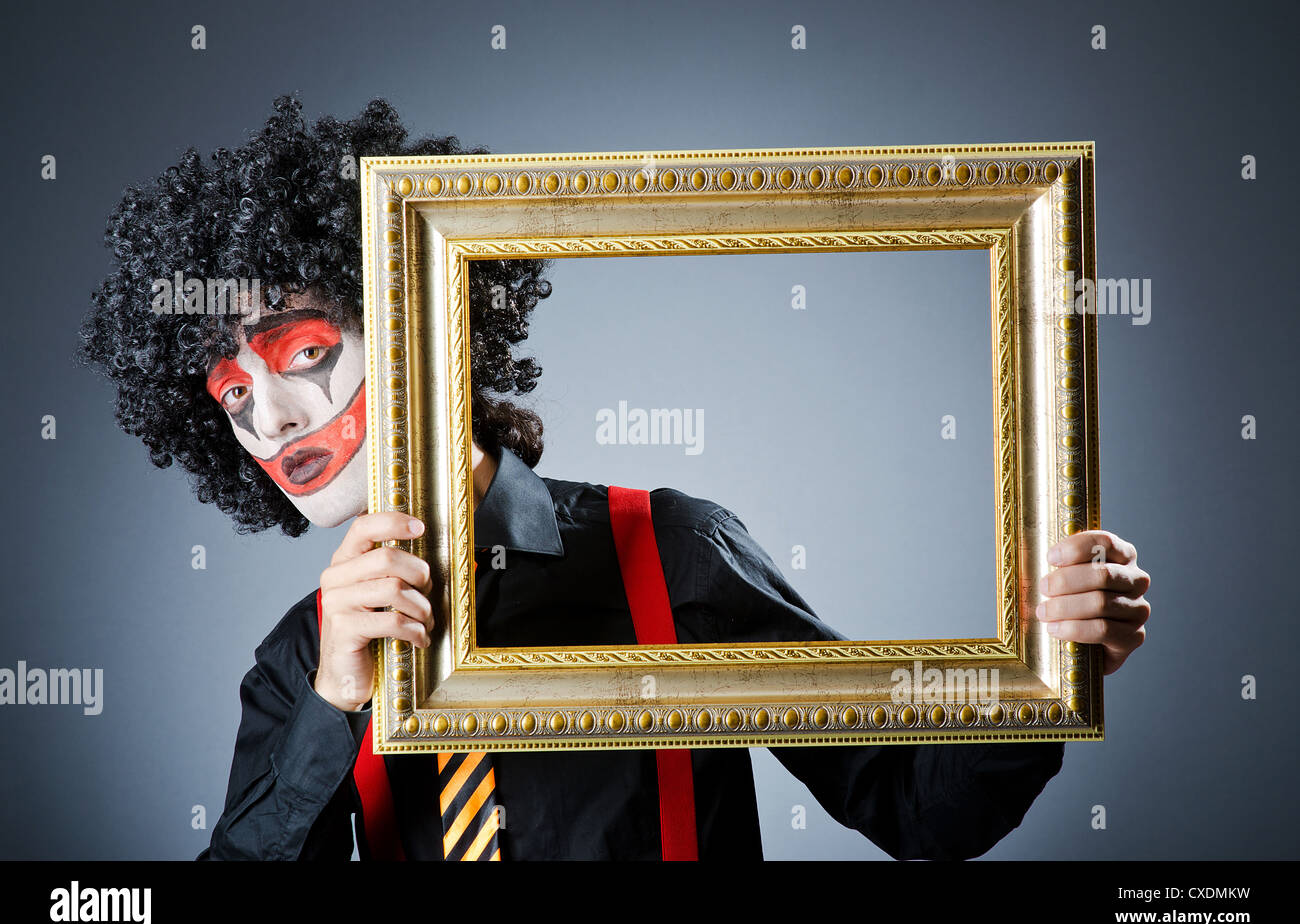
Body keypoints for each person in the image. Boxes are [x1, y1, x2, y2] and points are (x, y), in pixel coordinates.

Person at [78, 95, 1152, 861]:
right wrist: (335, 707)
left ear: (417, 318)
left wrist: (1045, 669)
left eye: (305, 351)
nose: (270, 418)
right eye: (230, 395)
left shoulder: (670, 547)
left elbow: (923, 818)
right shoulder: (299, 660)